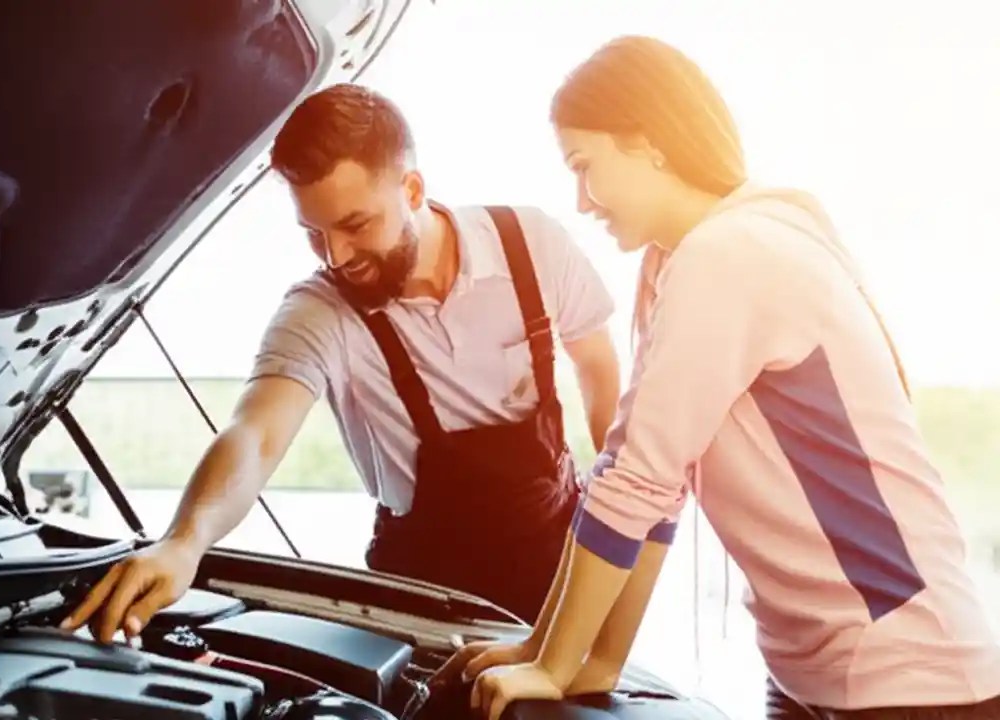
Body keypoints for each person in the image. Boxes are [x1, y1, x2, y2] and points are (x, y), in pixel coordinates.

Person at [457, 35, 1000, 720]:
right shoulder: (675, 261)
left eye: (585, 165)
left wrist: (555, 666)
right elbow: (645, 482)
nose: (582, 200)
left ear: (649, 142)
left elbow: (639, 481)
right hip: (808, 672)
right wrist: (569, 660)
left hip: (909, 677)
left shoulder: (732, 252)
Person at [59, 83, 622, 638]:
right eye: (314, 234)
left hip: (563, 570)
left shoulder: (532, 245)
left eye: (356, 226)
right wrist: (186, 539)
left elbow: (595, 363)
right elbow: (255, 434)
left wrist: (618, 499)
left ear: (413, 189)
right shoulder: (319, 310)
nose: (336, 257)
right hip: (422, 600)